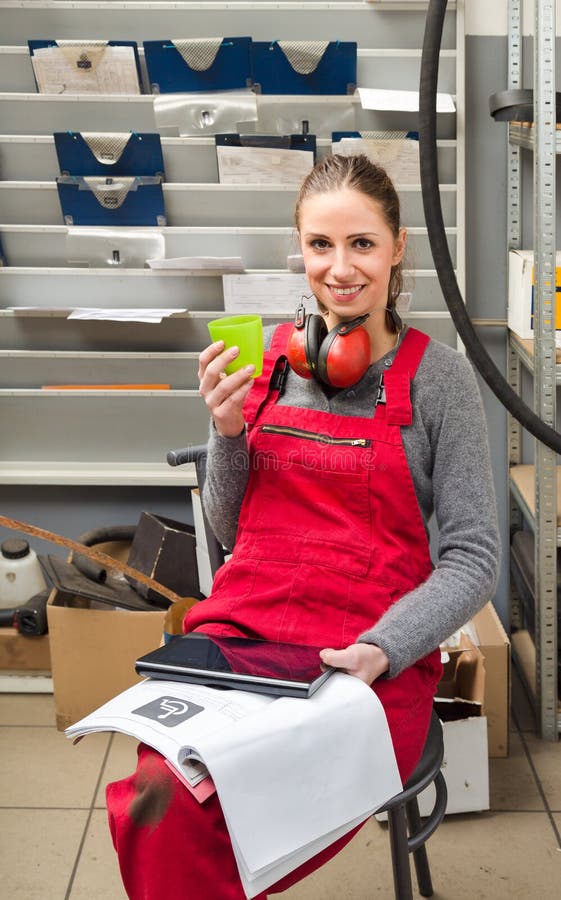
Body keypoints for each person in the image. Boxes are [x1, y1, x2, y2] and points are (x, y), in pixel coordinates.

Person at [106, 154, 500, 899]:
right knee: (163, 795)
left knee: (242, 786)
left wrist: (383, 649)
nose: (340, 268)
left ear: (396, 247)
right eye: (321, 245)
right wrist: (225, 428)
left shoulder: (438, 379)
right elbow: (231, 530)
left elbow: (473, 556)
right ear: (300, 249)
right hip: (248, 631)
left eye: (361, 244)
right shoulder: (265, 363)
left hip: (366, 658)